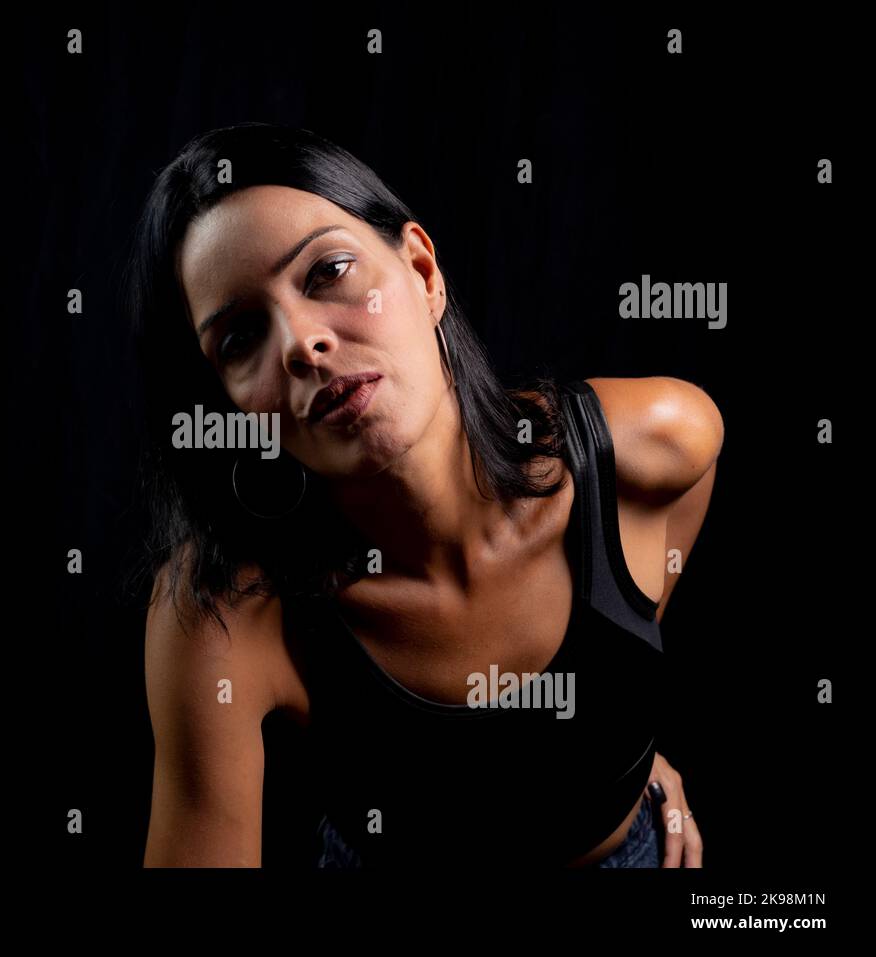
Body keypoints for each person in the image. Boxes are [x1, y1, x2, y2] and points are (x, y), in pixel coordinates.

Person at [125, 122, 720, 868]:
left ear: (421, 270)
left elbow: (628, 624)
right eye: (241, 337)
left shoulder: (654, 444)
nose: (302, 343)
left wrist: (623, 758)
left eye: (327, 271)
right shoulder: (225, 612)